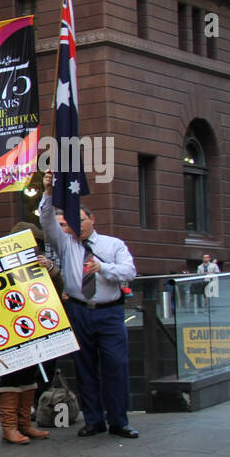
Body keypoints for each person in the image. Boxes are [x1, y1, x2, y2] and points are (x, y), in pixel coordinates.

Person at [40, 175, 138, 438]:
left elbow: (130, 271)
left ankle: (119, 420)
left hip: (109, 312)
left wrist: (103, 267)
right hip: (80, 311)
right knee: (85, 368)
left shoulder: (113, 245)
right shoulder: (66, 243)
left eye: (82, 220)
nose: (78, 225)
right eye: (74, 221)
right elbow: (47, 221)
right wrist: (48, 192)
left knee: (116, 366)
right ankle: (94, 420)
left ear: (92, 220)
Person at [0, 222, 58, 444]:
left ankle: (23, 424)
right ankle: (10, 427)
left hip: (33, 325)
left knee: (28, 376)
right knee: (11, 376)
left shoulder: (41, 266)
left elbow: (59, 291)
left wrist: (52, 270)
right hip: (9, 328)